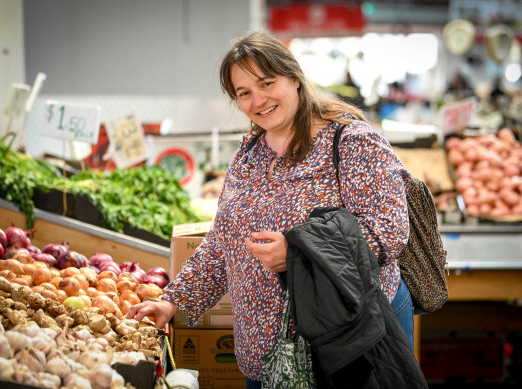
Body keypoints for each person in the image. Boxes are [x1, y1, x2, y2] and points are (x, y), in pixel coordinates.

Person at [126, 30, 414, 388]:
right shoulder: (249, 154)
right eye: (244, 93)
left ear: (293, 77)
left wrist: (298, 253)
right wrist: (172, 302)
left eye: (266, 83)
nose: (257, 100)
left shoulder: (352, 142)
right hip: (268, 356)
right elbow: (223, 242)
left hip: (343, 346)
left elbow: (389, 230)